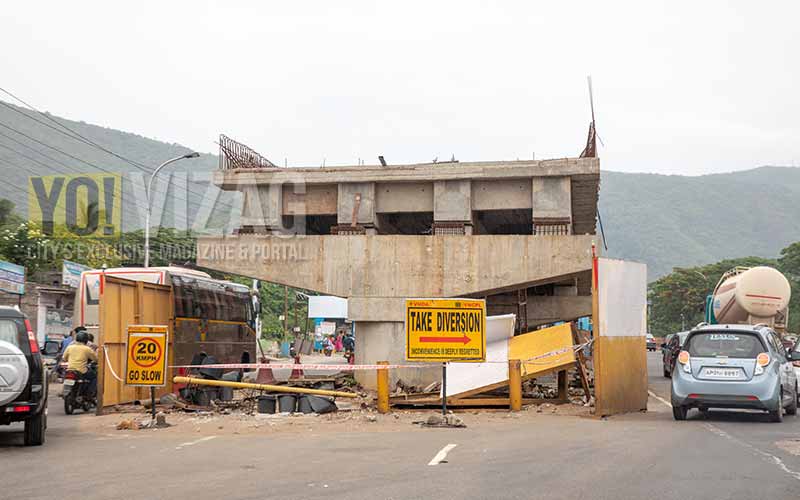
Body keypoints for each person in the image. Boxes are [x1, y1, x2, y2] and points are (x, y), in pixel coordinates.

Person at [62, 330, 98, 397]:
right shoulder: (87, 349)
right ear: (86, 340)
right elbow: (95, 359)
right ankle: (90, 394)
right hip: (81, 371)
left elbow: (64, 358)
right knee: (95, 377)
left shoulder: (70, 347)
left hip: (69, 370)